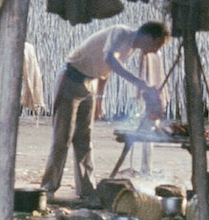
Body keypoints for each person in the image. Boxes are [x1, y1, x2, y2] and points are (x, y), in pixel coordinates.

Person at [41, 21, 168, 200]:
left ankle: (86, 190)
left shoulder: (129, 49)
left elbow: (105, 71)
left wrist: (100, 100)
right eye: (157, 45)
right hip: (72, 79)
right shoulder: (120, 32)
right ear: (148, 37)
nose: (155, 51)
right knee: (63, 137)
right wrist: (138, 82)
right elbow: (110, 59)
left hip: (89, 85)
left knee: (84, 139)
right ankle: (48, 189)